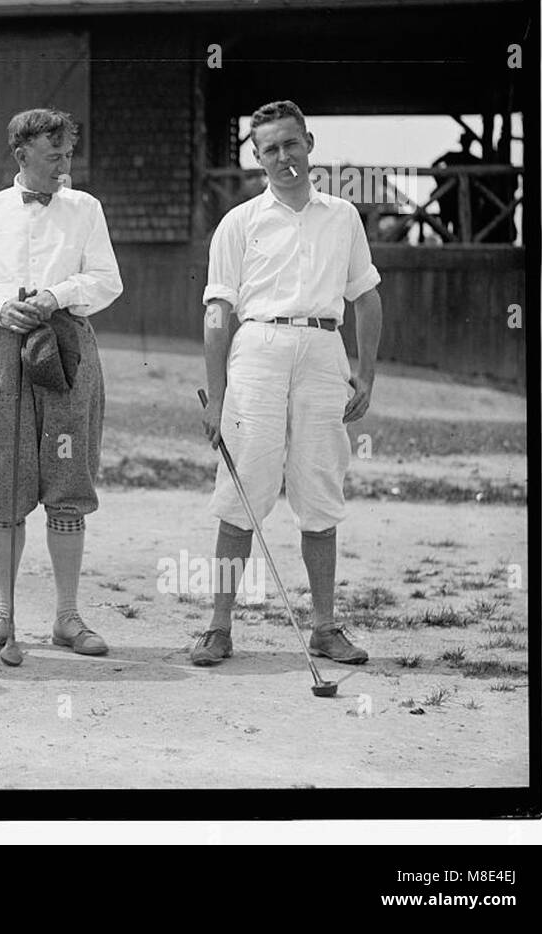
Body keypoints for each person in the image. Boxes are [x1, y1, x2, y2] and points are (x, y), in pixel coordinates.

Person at [195, 99, 383, 667]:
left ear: (309, 144)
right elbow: (216, 311)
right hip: (257, 352)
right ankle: (218, 628)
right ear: (258, 157)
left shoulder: (343, 216)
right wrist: (217, 394)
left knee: (320, 490)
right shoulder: (240, 223)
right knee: (242, 491)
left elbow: (367, 296)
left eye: (291, 144)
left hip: (324, 351)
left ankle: (325, 628)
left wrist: (367, 373)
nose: (284, 157)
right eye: (270, 149)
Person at [0, 108, 123, 657]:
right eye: (54, 157)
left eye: (69, 155)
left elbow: (107, 280)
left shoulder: (84, 208)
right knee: (4, 478)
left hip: (66, 349)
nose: (65, 167)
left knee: (68, 479)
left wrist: (56, 295)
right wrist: (1, 308)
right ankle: (2, 615)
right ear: (21, 155)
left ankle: (68, 617)